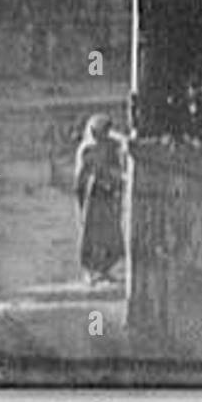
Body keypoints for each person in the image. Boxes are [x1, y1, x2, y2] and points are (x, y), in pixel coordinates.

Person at [74, 113, 127, 284]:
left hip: (109, 196)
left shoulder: (111, 146)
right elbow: (81, 178)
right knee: (91, 235)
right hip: (93, 197)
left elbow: (118, 163)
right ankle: (89, 271)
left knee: (110, 234)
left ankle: (105, 269)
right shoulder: (87, 149)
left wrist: (114, 180)